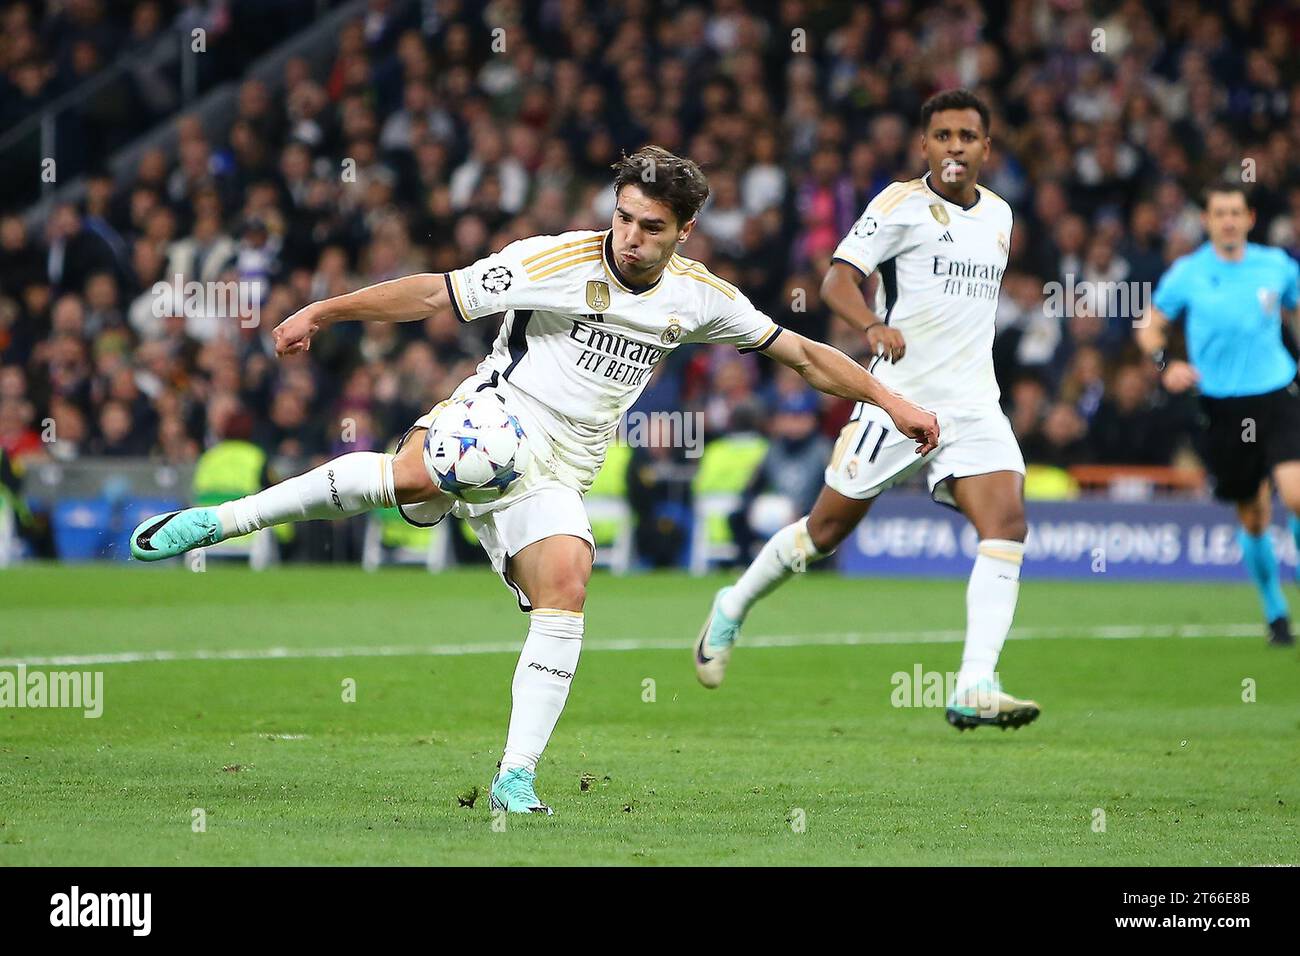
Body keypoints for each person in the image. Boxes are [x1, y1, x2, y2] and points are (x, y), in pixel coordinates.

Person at [129, 146, 940, 813]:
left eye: (650, 227)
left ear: (684, 232)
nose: (628, 237)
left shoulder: (699, 299)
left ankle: (515, 776)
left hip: (560, 472)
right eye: (621, 217)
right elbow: (435, 295)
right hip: (494, 418)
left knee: (570, 583)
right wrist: (324, 311)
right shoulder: (552, 261)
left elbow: (801, 353)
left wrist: (889, 399)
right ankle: (219, 522)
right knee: (412, 479)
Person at [695, 89, 1041, 731]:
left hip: (973, 407)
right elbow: (835, 280)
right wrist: (872, 326)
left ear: (986, 148)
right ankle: (733, 603)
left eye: (967, 135)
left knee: (1007, 526)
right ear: (924, 146)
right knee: (823, 534)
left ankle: (974, 683)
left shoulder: (1001, 217)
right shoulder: (898, 205)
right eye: (942, 136)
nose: (955, 147)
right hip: (895, 401)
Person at [1137, 180, 1300, 647]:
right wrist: (1165, 365)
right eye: (1218, 213)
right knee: (1253, 515)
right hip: (1222, 406)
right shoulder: (1187, 273)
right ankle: (1275, 611)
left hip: (1277, 395)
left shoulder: (1277, 266)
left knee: (1296, 494)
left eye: (1235, 212)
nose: (1228, 220)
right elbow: (1150, 324)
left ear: (1249, 219)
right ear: (1206, 221)